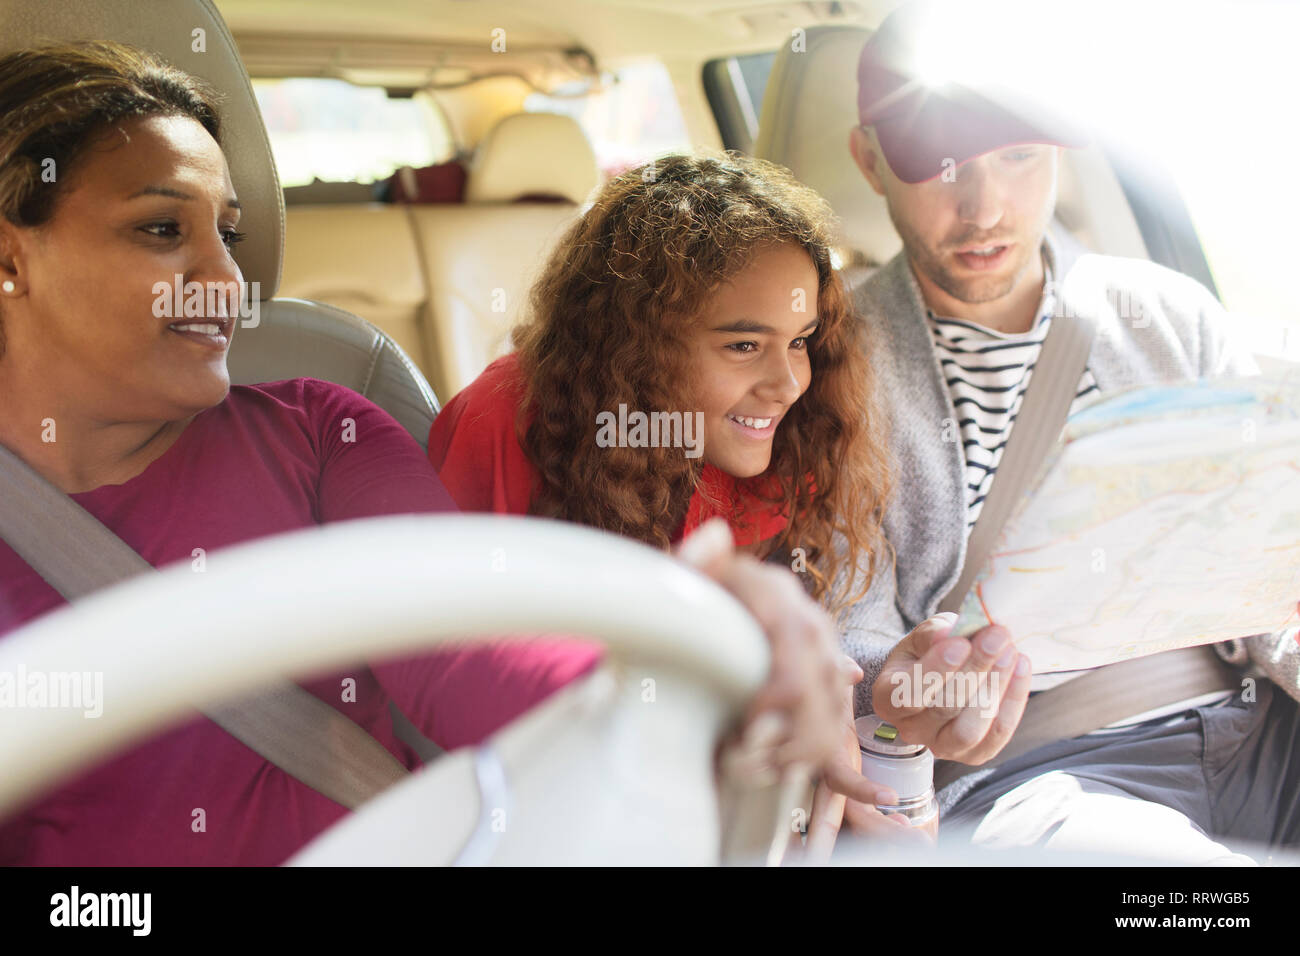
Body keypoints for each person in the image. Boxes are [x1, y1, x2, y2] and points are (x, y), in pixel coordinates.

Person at [0, 42, 856, 865]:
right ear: (12, 257)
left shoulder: (323, 431)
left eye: (228, 233)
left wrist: (683, 673)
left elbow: (470, 649)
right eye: (160, 229)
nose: (228, 280)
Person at [826, 0, 1300, 861]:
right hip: (1040, 777)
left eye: (1017, 157)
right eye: (940, 164)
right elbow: (848, 630)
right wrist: (900, 694)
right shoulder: (832, 369)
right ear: (869, 160)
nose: (984, 207)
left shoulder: (1167, 315)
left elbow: (1263, 557)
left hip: (1258, 722)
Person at [428, 152, 919, 848]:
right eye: (744, 345)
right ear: (642, 344)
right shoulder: (503, 425)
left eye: (801, 343)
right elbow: (454, 682)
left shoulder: (775, 451)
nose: (787, 383)